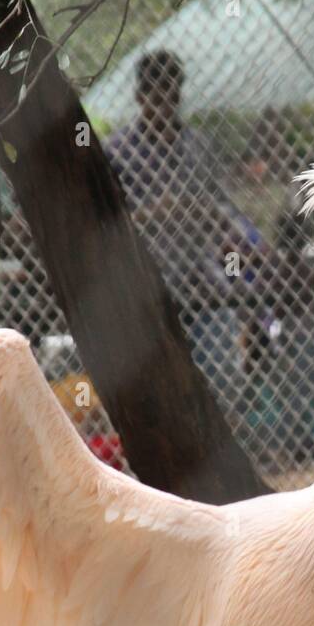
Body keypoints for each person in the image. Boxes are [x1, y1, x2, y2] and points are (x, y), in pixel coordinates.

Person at [104, 50, 267, 386]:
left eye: (172, 93)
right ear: (140, 97)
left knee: (220, 375)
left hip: (198, 271)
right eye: (156, 95)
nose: (165, 104)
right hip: (145, 278)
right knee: (154, 381)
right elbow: (108, 222)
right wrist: (156, 212)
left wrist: (230, 230)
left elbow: (221, 207)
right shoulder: (118, 151)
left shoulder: (197, 146)